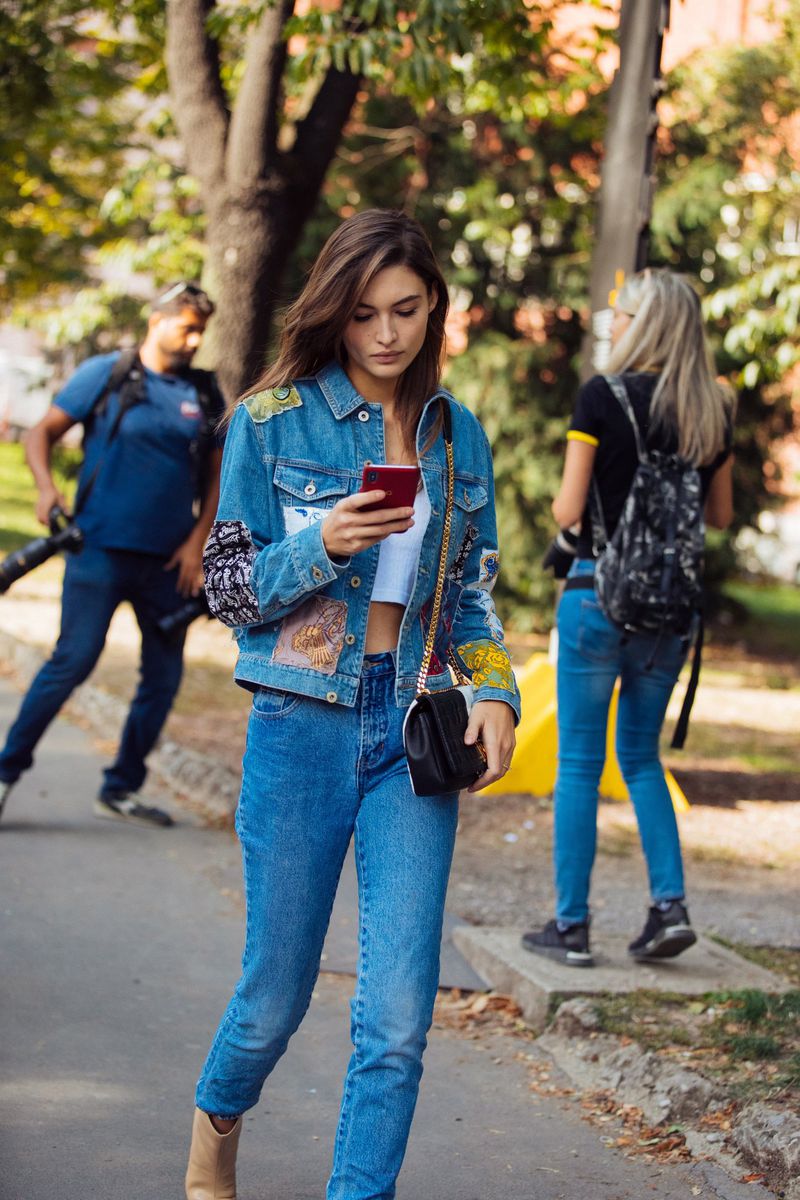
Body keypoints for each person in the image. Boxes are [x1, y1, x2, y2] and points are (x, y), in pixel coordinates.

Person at [184, 209, 519, 1200]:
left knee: (399, 1016)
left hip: (413, 731)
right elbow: (226, 589)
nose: (384, 333)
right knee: (273, 999)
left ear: (434, 308)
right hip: (300, 725)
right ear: (334, 310)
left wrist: (495, 690)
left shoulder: (456, 438)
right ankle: (214, 1128)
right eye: (364, 312)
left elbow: (472, 595)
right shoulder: (271, 420)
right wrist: (321, 544)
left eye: (406, 310)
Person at [522, 268, 734, 968]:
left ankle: (571, 926)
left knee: (579, 764)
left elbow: (568, 509)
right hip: (669, 615)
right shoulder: (714, 408)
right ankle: (669, 906)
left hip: (595, 598)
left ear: (645, 325)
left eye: (623, 312)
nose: (612, 320)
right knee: (641, 758)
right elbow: (719, 515)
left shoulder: (601, 396)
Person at [0, 283, 226, 828]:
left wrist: (198, 542)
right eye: (186, 328)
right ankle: (5, 772)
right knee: (71, 662)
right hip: (97, 549)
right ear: (157, 320)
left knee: (162, 679)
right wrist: (46, 488)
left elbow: (217, 476)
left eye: (200, 331)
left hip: (168, 564)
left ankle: (120, 788)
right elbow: (41, 434)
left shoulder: (203, 392)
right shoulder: (108, 373)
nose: (194, 340)